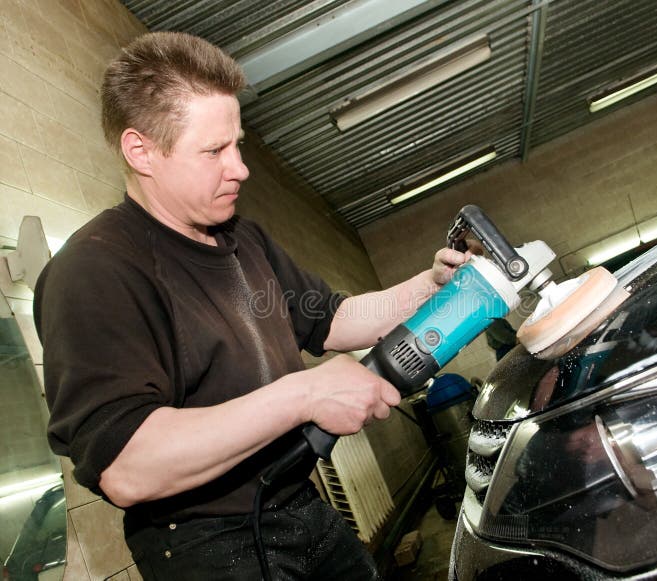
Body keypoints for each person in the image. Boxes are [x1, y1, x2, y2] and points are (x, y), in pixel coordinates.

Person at [33, 31, 474, 581]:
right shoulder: (94, 271)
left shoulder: (242, 240)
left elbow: (333, 319)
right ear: (140, 151)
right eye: (214, 151)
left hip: (298, 505)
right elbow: (127, 466)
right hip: (207, 544)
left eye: (236, 144)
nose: (239, 168)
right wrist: (305, 394)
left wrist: (430, 286)